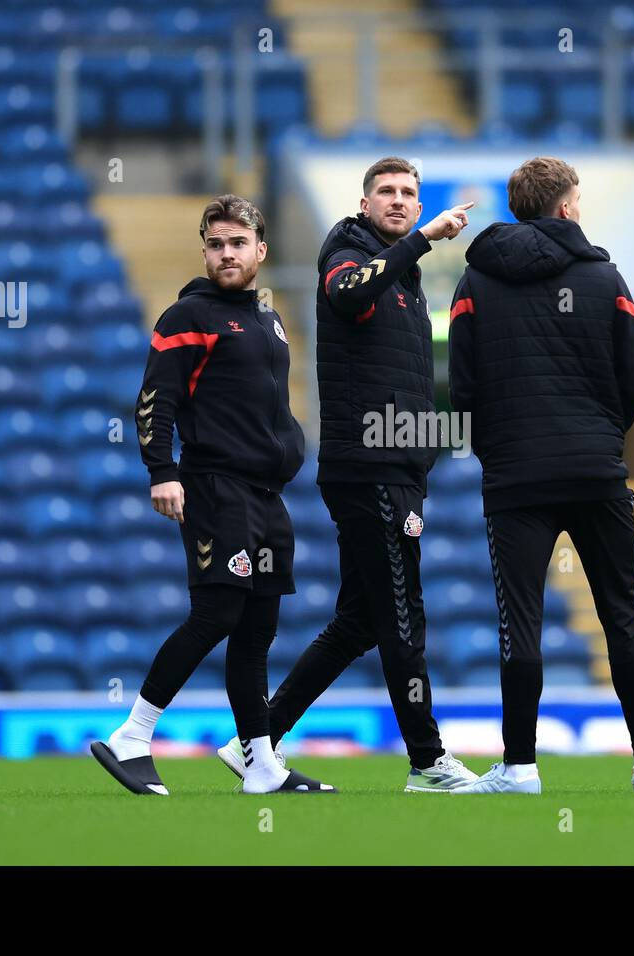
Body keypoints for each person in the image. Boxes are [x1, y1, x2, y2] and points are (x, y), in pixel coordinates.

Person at [216, 157, 480, 791]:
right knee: (403, 617)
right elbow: (347, 292)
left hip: (396, 465)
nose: (397, 201)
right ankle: (426, 761)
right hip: (369, 466)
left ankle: (256, 739)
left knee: (361, 622)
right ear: (365, 204)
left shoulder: (407, 276)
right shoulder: (348, 247)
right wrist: (422, 240)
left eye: (408, 194)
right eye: (385, 192)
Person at [447, 157, 634, 795]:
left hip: (515, 479)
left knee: (520, 621)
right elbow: (632, 385)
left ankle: (520, 769)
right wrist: (599, 438)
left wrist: (499, 450)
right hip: (596, 471)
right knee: (623, 614)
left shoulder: (475, 281)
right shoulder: (606, 277)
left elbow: (462, 389)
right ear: (565, 207)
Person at [93, 194, 333, 795]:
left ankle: (259, 763)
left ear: (260, 250)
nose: (226, 254)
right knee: (218, 612)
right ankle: (134, 734)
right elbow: (155, 401)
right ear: (205, 250)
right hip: (214, 487)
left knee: (257, 630)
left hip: (265, 495)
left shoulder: (269, 318)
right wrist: (161, 470)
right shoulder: (186, 318)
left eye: (237, 243)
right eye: (216, 244)